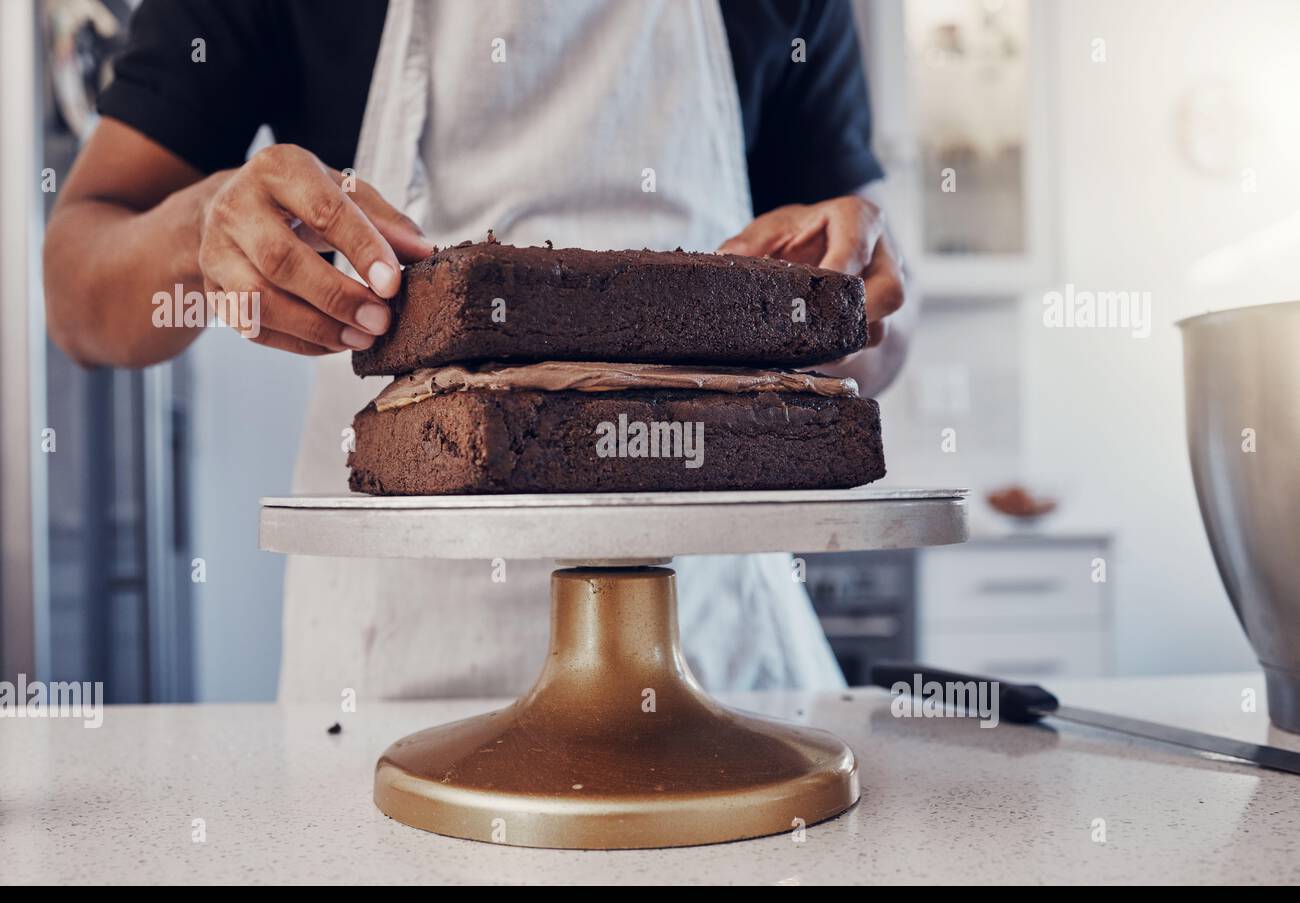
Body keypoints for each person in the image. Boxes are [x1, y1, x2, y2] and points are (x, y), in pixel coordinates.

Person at [44, 0, 909, 700]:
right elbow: (74, 292)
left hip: (722, 657)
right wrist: (205, 230)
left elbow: (888, 323)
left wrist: (843, 305)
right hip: (395, 674)